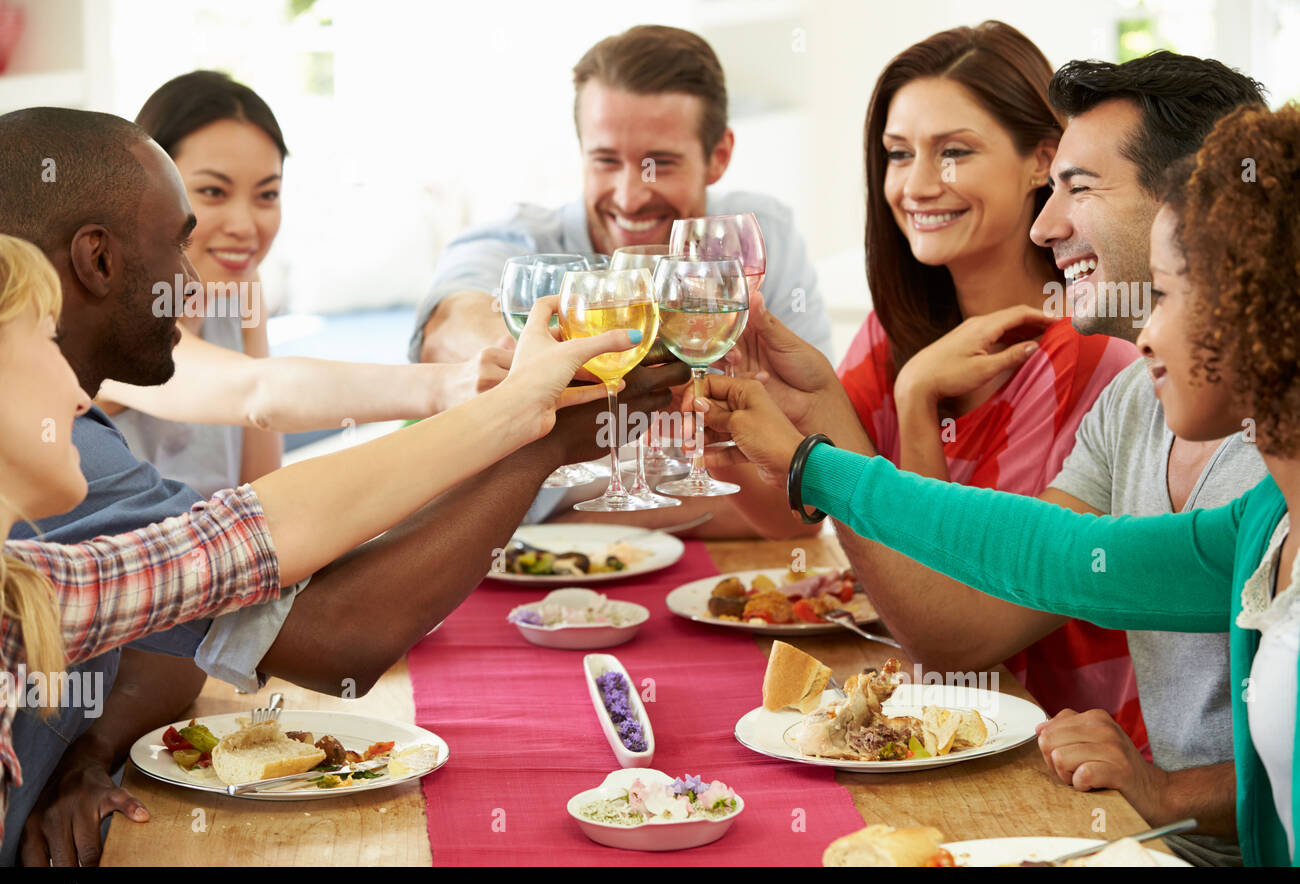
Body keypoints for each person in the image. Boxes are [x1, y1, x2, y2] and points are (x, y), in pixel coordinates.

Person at [0, 106, 685, 866]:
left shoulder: (52, 588)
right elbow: (297, 595)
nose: (83, 403)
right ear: (95, 260)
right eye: (183, 236)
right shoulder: (70, 504)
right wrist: (515, 423)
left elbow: (231, 550)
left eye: (267, 193)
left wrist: (523, 425)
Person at [693, 101, 1300, 866]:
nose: (1146, 331)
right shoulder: (1261, 525)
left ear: (1264, 307)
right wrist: (815, 457)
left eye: (1173, 292)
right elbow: (1047, 551)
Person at [745, 21, 1146, 745]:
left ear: (1042, 161)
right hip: (948, 729)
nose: (918, 184)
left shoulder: (1094, 359)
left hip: (1063, 752)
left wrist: (913, 409)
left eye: (954, 152)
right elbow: (803, 523)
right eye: (899, 155)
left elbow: (954, 620)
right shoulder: (891, 333)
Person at [410, 24, 831, 537]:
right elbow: (446, 328)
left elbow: (802, 512)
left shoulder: (750, 251)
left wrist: (581, 513)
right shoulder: (525, 241)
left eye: (662, 164)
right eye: (606, 160)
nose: (631, 196)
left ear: (718, 155)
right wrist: (523, 351)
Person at [95, 71, 513, 497]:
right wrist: (450, 383)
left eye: (267, 195)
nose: (245, 225)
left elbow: (259, 490)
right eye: (213, 192)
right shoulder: (106, 322)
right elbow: (259, 394)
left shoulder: (237, 291)